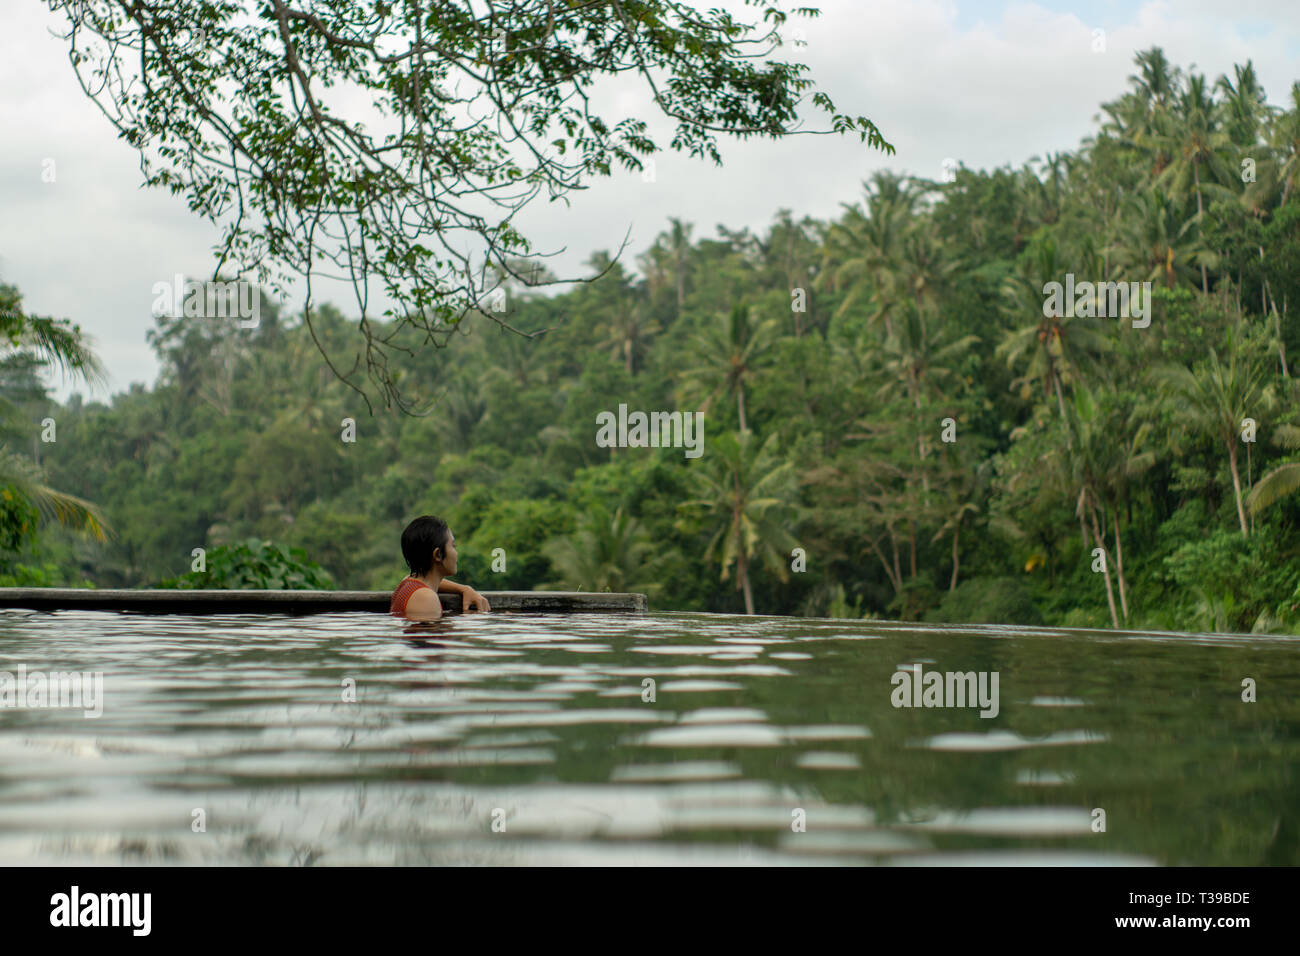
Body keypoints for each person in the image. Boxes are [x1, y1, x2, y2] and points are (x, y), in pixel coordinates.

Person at [390, 515, 491, 620]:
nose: (456, 553)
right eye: (453, 546)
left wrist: (465, 589)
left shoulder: (409, 582)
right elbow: (429, 636)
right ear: (438, 554)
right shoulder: (425, 598)